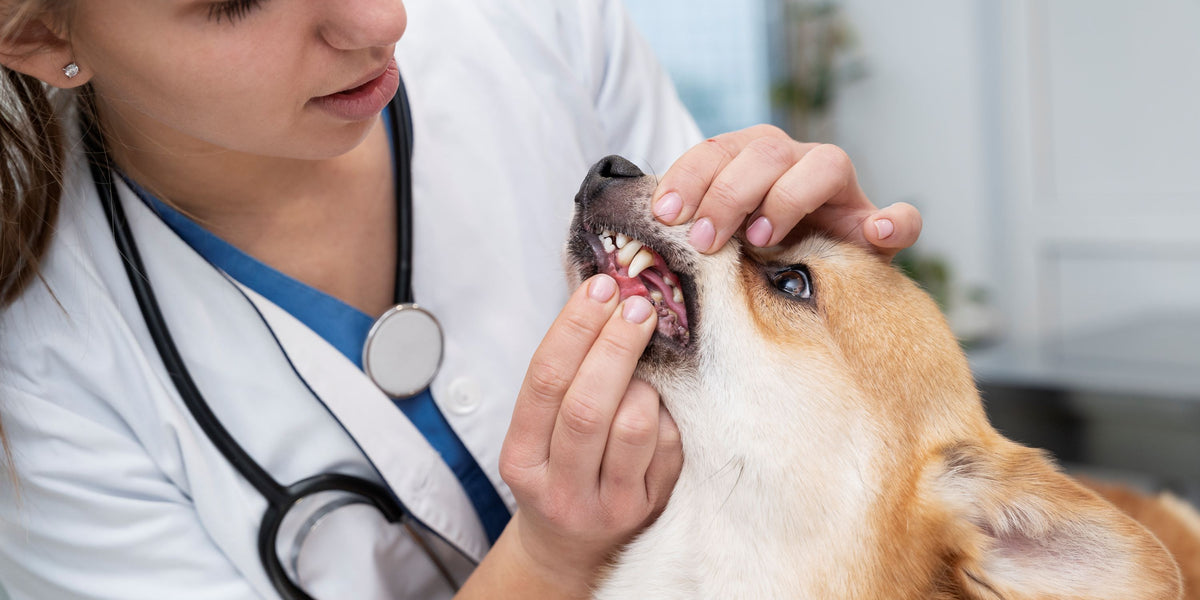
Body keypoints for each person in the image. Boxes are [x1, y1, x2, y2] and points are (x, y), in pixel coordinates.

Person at [0, 0, 921, 598]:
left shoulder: (530, 24)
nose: (381, 18)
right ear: (43, 37)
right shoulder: (44, 374)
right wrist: (549, 558)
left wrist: (795, 263)